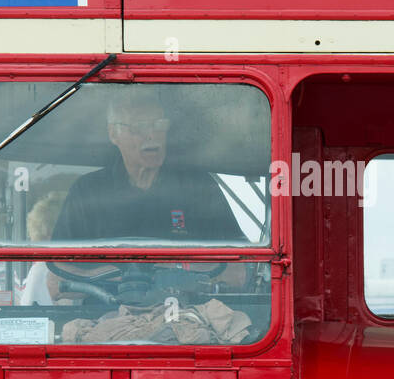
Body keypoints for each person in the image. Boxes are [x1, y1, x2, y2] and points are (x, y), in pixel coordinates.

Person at [48, 88, 246, 293]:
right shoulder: (87, 191)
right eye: (138, 127)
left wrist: (177, 271)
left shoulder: (199, 187)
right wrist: (101, 276)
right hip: (105, 318)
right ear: (114, 134)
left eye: (159, 125)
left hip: (185, 315)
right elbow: (55, 280)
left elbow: (237, 272)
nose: (152, 135)